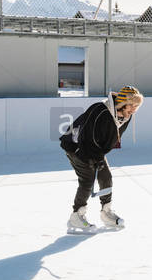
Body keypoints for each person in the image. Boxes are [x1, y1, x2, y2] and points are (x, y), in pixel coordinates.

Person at [60, 86, 143, 232]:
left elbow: (107, 139)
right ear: (123, 103)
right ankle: (76, 216)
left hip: (94, 149)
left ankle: (106, 212)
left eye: (137, 106)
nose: (134, 109)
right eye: (132, 105)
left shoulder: (125, 116)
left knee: (106, 177)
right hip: (76, 146)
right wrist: (95, 160)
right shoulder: (100, 110)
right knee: (87, 179)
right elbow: (87, 138)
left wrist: (99, 158)